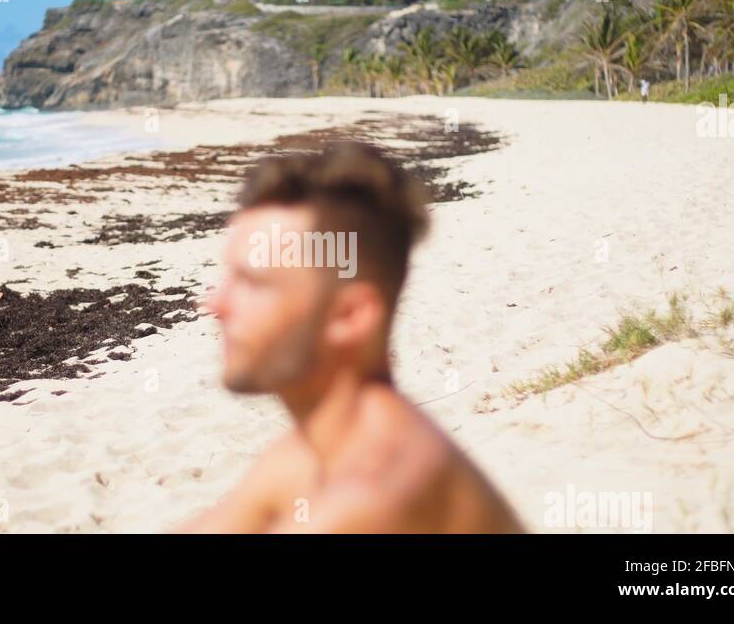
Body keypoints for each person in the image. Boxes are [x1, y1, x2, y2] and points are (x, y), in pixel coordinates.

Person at [177, 142, 523, 533]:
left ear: (350, 316)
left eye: (253, 283)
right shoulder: (313, 452)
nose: (214, 304)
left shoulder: (373, 498)